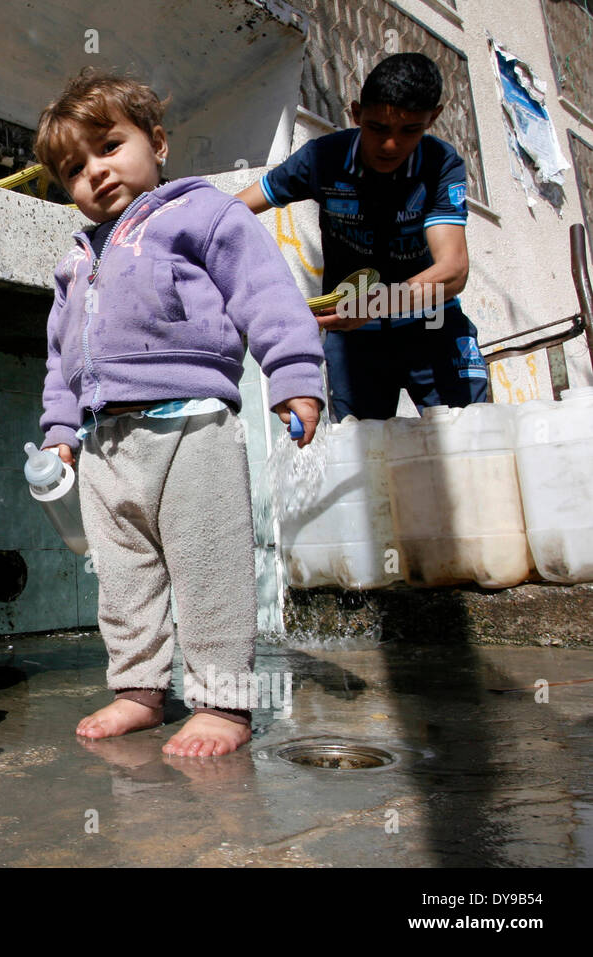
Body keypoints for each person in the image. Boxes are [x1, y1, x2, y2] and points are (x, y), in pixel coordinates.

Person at [34, 69, 325, 756]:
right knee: (123, 575)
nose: (97, 173)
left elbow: (266, 292)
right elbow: (60, 358)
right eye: (76, 168)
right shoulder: (76, 263)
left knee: (209, 567)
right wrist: (59, 434)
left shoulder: (203, 214)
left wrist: (292, 373)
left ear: (157, 142)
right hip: (106, 441)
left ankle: (222, 701)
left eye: (110, 146)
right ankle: (138, 690)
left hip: (192, 426)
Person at [236, 52, 486, 420]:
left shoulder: (442, 164)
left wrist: (374, 305)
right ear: (355, 113)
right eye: (378, 128)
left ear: (433, 117)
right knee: (364, 459)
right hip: (355, 339)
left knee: (473, 447)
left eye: (410, 131)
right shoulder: (322, 158)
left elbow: (453, 272)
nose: (391, 145)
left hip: (433, 326)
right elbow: (233, 210)